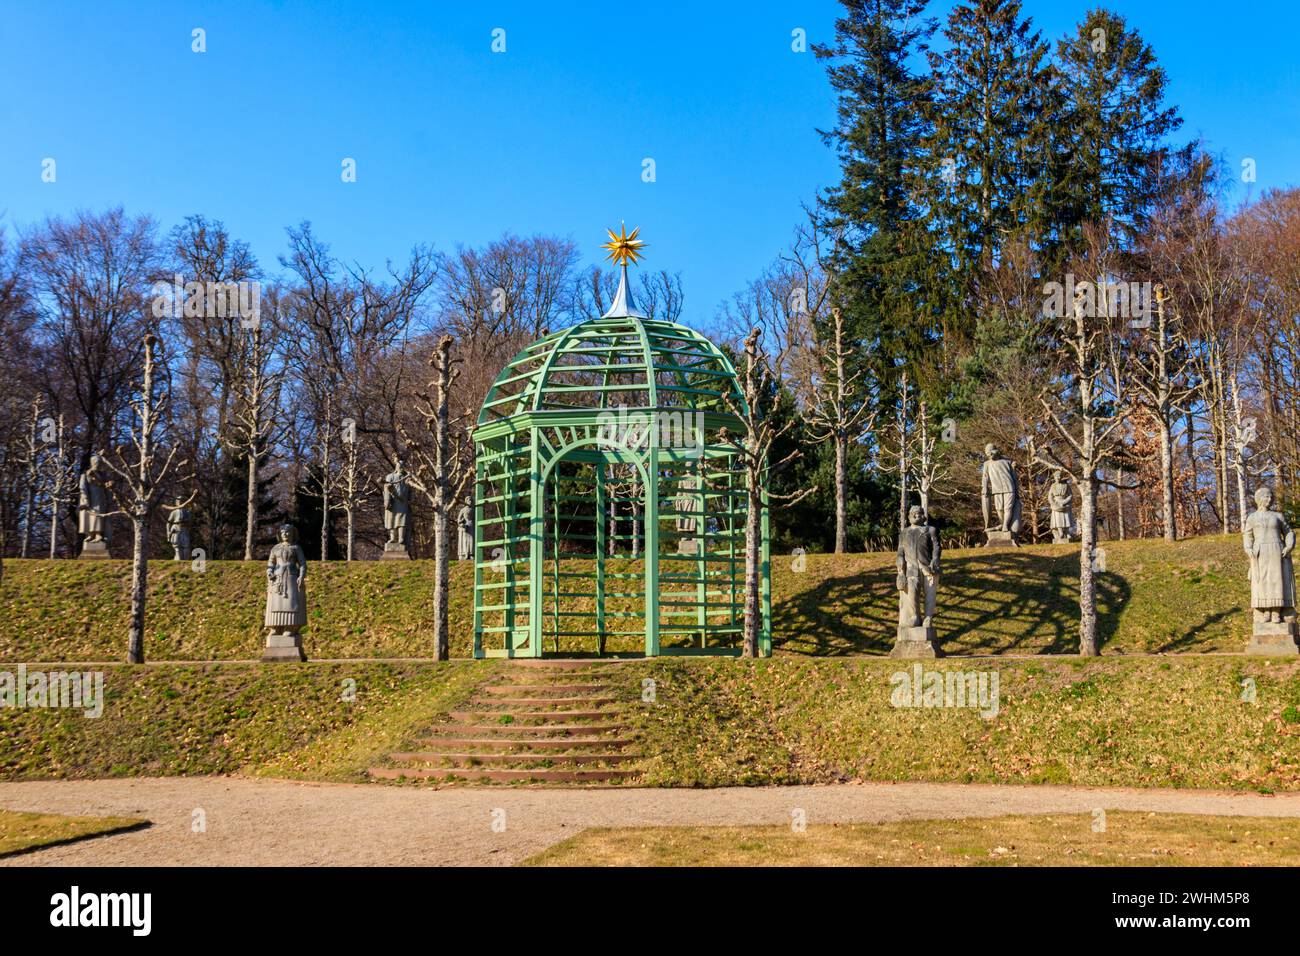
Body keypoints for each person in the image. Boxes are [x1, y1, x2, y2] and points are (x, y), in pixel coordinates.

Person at [1243, 486, 1296, 625]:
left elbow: (1289, 532)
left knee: (1276, 580)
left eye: (1271, 497)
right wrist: (1248, 548)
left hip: (1276, 551)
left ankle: (1277, 611)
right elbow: (1247, 535)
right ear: (1260, 499)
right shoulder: (1252, 517)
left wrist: (1289, 546)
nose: (1270, 499)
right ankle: (1266, 611)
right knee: (1262, 582)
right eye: (1267, 496)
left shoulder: (1277, 516)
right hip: (1260, 553)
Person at [897, 504, 941, 629]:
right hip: (911, 568)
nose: (916, 516)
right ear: (909, 516)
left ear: (924, 516)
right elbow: (900, 552)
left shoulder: (930, 530)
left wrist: (935, 560)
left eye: (919, 513)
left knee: (930, 595)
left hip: (928, 567)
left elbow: (937, 547)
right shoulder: (904, 533)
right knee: (912, 592)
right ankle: (915, 616)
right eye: (914, 514)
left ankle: (928, 618)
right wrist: (900, 570)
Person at [265, 524, 307, 638]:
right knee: (276, 603)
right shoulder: (275, 548)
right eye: (283, 532)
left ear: (293, 534)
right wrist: (270, 572)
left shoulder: (296, 548)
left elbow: (302, 564)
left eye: (288, 532)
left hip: (291, 578)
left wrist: (301, 576)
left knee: (290, 602)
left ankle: (290, 627)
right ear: (279, 534)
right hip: (277, 578)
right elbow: (271, 563)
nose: (285, 534)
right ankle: (275, 627)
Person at [980, 443, 1021, 538]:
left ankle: (1005, 526)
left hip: (1009, 488)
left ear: (995, 451)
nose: (989, 455)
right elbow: (985, 477)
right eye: (987, 454)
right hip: (996, 489)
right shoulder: (987, 464)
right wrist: (985, 487)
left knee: (1008, 508)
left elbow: (1014, 478)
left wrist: (1017, 491)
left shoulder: (1007, 462)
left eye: (990, 453)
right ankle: (1002, 524)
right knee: (999, 509)